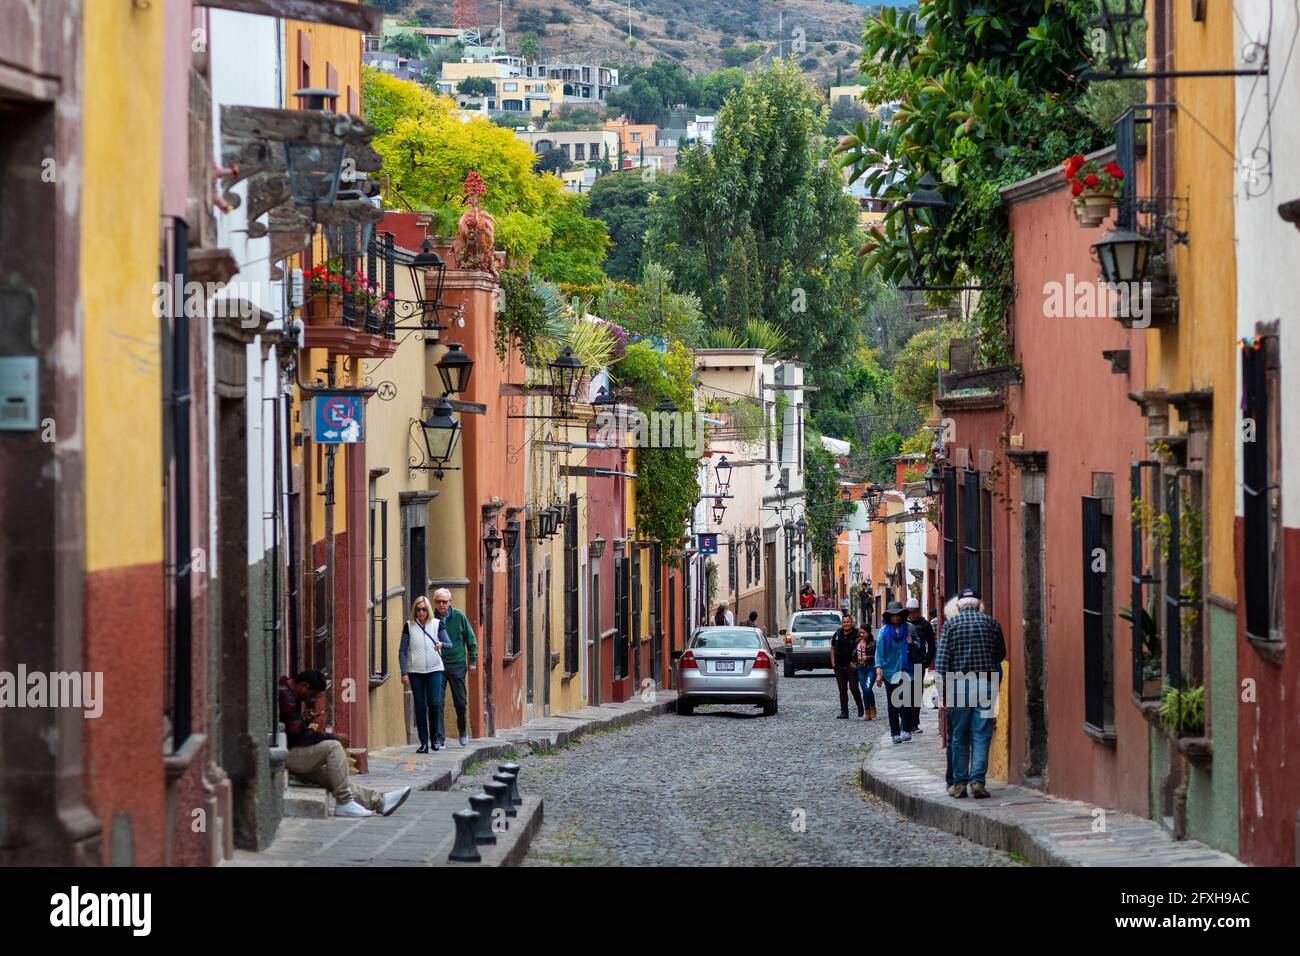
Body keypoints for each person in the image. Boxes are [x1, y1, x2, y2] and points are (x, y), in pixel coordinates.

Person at [280, 670, 411, 818]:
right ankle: (344, 802)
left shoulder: (291, 695)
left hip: (289, 751)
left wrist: (305, 721)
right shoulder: (286, 698)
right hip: (286, 755)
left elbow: (294, 731)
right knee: (333, 747)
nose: (312, 700)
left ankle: (380, 801)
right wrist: (332, 736)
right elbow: (301, 736)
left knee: (336, 779)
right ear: (304, 686)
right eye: (312, 695)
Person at [936, 587, 1006, 799]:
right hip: (986, 684)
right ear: (979, 605)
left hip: (958, 685)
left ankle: (959, 784)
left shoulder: (950, 626)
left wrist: (943, 695)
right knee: (981, 735)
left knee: (958, 736)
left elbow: (941, 664)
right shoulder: (992, 624)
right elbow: (1000, 654)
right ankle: (977, 781)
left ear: (958, 606)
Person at [399, 595, 446, 753]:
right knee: (420, 707)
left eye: (424, 609)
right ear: (414, 610)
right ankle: (424, 743)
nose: (421, 612)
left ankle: (435, 738)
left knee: (434, 704)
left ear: (428, 610)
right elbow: (402, 650)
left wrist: (442, 643)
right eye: (418, 609)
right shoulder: (409, 626)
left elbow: (449, 642)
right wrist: (404, 671)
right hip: (415, 671)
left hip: (435, 669)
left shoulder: (437, 624)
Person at [432, 587, 477, 748]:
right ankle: (439, 737)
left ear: (450, 602)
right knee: (437, 702)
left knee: (460, 701)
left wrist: (472, 661)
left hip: (457, 664)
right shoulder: (432, 619)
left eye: (444, 602)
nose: (441, 605)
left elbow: (470, 639)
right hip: (438, 665)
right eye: (438, 602)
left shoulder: (459, 617)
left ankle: (463, 731)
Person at [874, 601, 914, 744]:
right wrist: (879, 672)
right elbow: (879, 653)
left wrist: (912, 643)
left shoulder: (909, 628)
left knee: (906, 702)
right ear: (889, 616)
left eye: (898, 615)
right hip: (890, 672)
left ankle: (906, 729)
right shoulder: (884, 631)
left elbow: (920, 645)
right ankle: (895, 732)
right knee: (893, 704)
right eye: (893, 615)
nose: (896, 617)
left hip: (906, 670)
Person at [906, 597, 936, 733]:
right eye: (909, 612)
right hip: (905, 663)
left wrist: (926, 662)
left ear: (918, 611)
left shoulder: (925, 625)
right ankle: (905, 722)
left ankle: (914, 723)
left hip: (919, 662)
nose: (912, 615)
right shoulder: (903, 624)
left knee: (917, 693)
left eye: (914, 612)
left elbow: (932, 645)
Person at [831, 613, 865, 719]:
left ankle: (860, 706)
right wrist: (833, 663)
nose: (846, 624)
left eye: (848, 622)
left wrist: (856, 662)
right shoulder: (837, 634)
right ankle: (844, 712)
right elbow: (832, 648)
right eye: (844, 622)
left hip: (852, 667)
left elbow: (861, 649)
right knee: (842, 690)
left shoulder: (857, 635)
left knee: (854, 688)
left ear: (852, 623)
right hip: (839, 667)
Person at [854, 622, 877, 720]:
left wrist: (867, 658)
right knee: (864, 690)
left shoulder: (874, 643)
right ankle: (867, 712)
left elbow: (878, 657)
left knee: (867, 688)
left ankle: (872, 706)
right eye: (860, 633)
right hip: (860, 669)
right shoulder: (857, 641)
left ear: (868, 632)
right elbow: (853, 652)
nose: (861, 635)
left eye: (863, 633)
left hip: (871, 668)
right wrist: (853, 661)